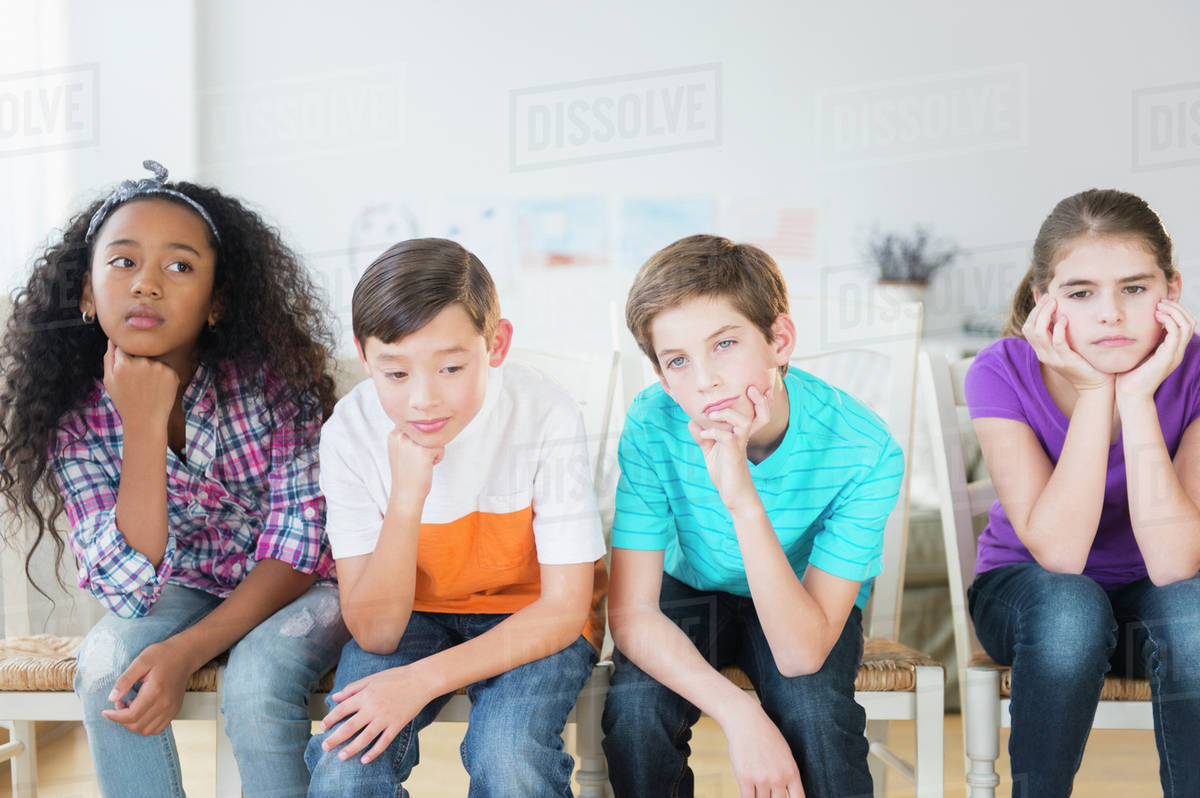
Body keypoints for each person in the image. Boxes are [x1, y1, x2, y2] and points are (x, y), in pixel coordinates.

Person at [0, 161, 349, 797]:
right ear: (85, 293)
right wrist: (142, 424)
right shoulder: (73, 419)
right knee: (108, 665)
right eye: (124, 263)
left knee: (258, 675)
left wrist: (187, 650)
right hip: (184, 586)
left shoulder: (275, 388)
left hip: (303, 588)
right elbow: (127, 586)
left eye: (180, 266)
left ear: (217, 301)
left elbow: (299, 551)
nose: (148, 286)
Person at [601, 234, 904, 798]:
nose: (704, 381)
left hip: (803, 602)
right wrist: (739, 715)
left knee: (814, 712)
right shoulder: (652, 423)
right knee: (636, 713)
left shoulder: (866, 450)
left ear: (779, 340)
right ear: (663, 377)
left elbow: (800, 653)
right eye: (678, 361)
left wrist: (742, 498)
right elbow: (633, 613)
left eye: (724, 345)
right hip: (691, 587)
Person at [305, 238, 608, 797]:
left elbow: (564, 609)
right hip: (411, 617)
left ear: (496, 345)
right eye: (395, 374)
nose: (423, 399)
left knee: (510, 755)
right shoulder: (347, 433)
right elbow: (376, 630)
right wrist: (405, 498)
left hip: (532, 619)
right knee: (346, 761)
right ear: (364, 355)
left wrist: (418, 682)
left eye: (450, 367)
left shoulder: (547, 413)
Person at [965, 188, 1200, 797]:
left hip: (1159, 599)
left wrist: (1137, 395)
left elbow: (1177, 566)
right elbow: (1061, 557)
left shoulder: (1197, 371)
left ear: (1171, 291)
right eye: (1080, 293)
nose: (1111, 314)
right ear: (1045, 302)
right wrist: (1096, 394)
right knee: (1072, 607)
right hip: (1032, 600)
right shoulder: (1000, 369)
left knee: (1195, 614)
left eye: (1135, 288)